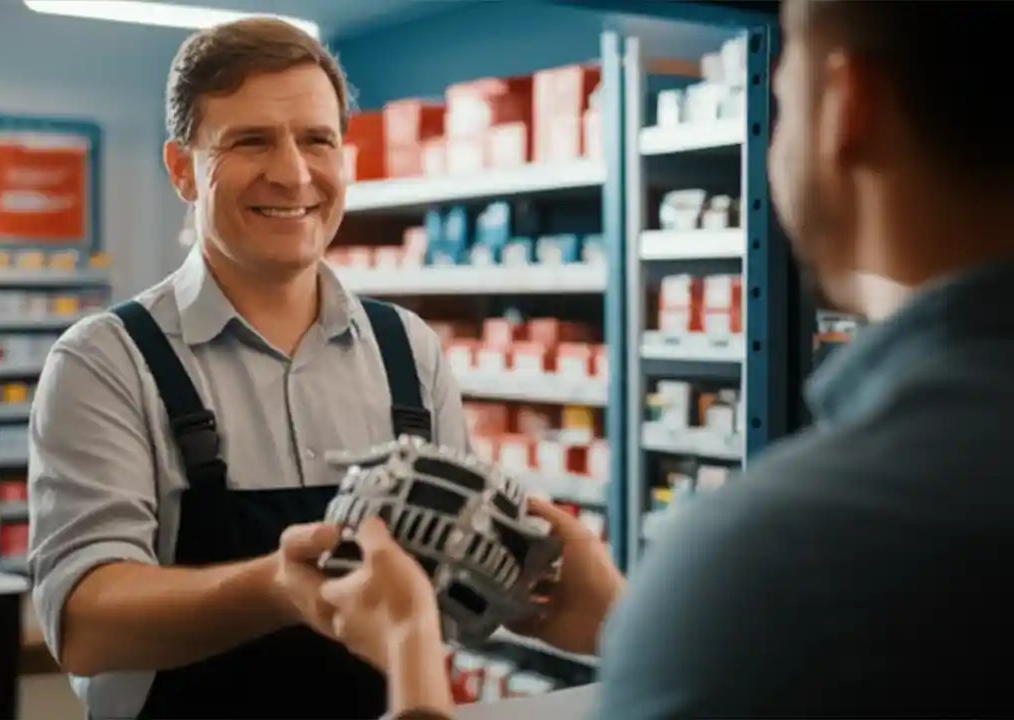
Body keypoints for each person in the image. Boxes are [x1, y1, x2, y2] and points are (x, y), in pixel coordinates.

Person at [300, 1, 1014, 718]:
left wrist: (408, 653)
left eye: (783, 93)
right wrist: (628, 620)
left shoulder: (785, 556)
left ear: (845, 106)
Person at [25, 17, 469, 720]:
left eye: (317, 140)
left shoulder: (408, 351)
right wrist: (276, 589)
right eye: (251, 140)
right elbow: (85, 625)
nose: (293, 173)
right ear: (181, 170)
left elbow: (457, 598)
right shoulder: (106, 361)